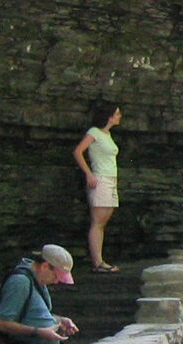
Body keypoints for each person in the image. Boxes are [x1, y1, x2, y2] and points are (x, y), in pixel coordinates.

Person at [0, 244, 80, 344]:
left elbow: (33, 313)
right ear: (45, 266)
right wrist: (39, 332)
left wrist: (59, 320)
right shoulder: (20, 281)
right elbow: (1, 323)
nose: (57, 281)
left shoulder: (37, 280)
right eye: (56, 276)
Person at [72, 103, 123, 273]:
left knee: (103, 222)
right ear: (108, 116)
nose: (119, 116)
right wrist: (89, 174)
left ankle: (99, 260)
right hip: (100, 179)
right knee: (97, 222)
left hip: (111, 180)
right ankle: (98, 262)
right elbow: (78, 151)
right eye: (116, 114)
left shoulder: (107, 134)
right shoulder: (94, 132)